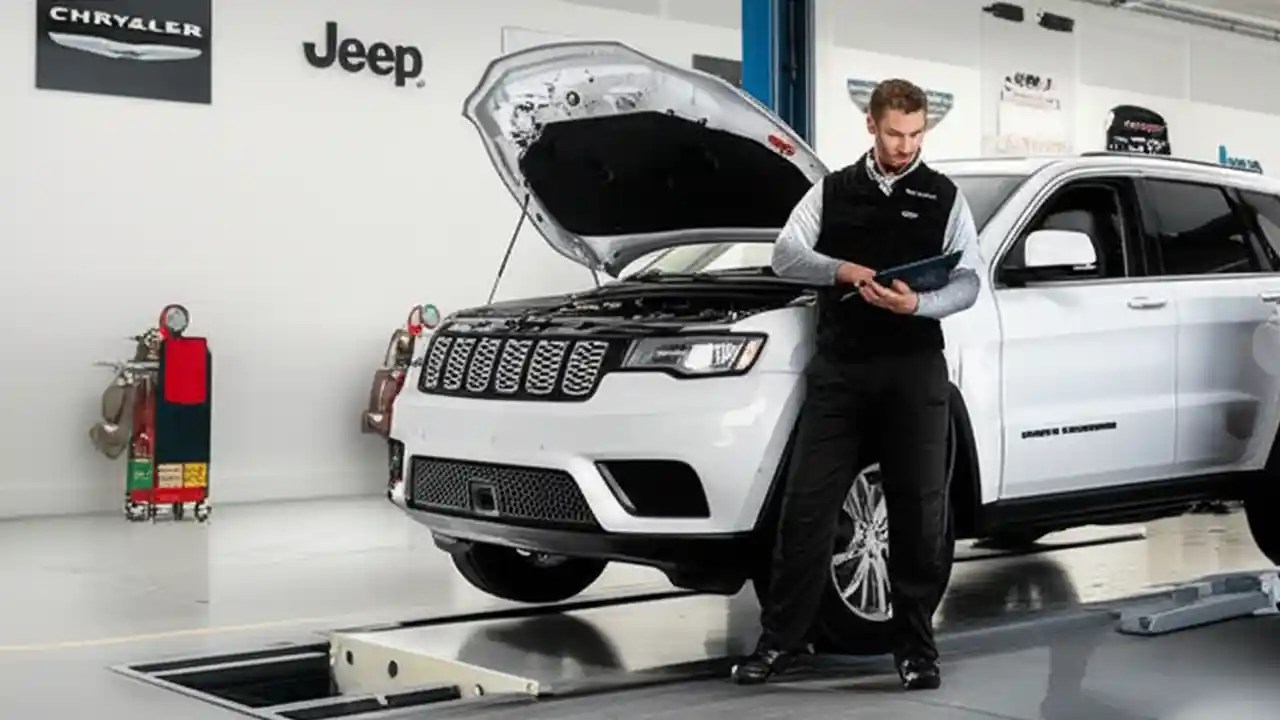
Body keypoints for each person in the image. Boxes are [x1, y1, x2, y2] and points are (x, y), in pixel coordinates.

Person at [730, 78, 981, 690]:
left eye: (916, 134)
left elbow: (969, 282)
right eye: (895, 133)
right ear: (871, 126)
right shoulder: (832, 190)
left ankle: (916, 649)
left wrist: (916, 304)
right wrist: (841, 269)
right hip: (840, 369)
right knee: (806, 507)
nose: (905, 145)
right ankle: (781, 642)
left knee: (920, 511)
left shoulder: (945, 197)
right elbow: (786, 256)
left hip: (914, 368)